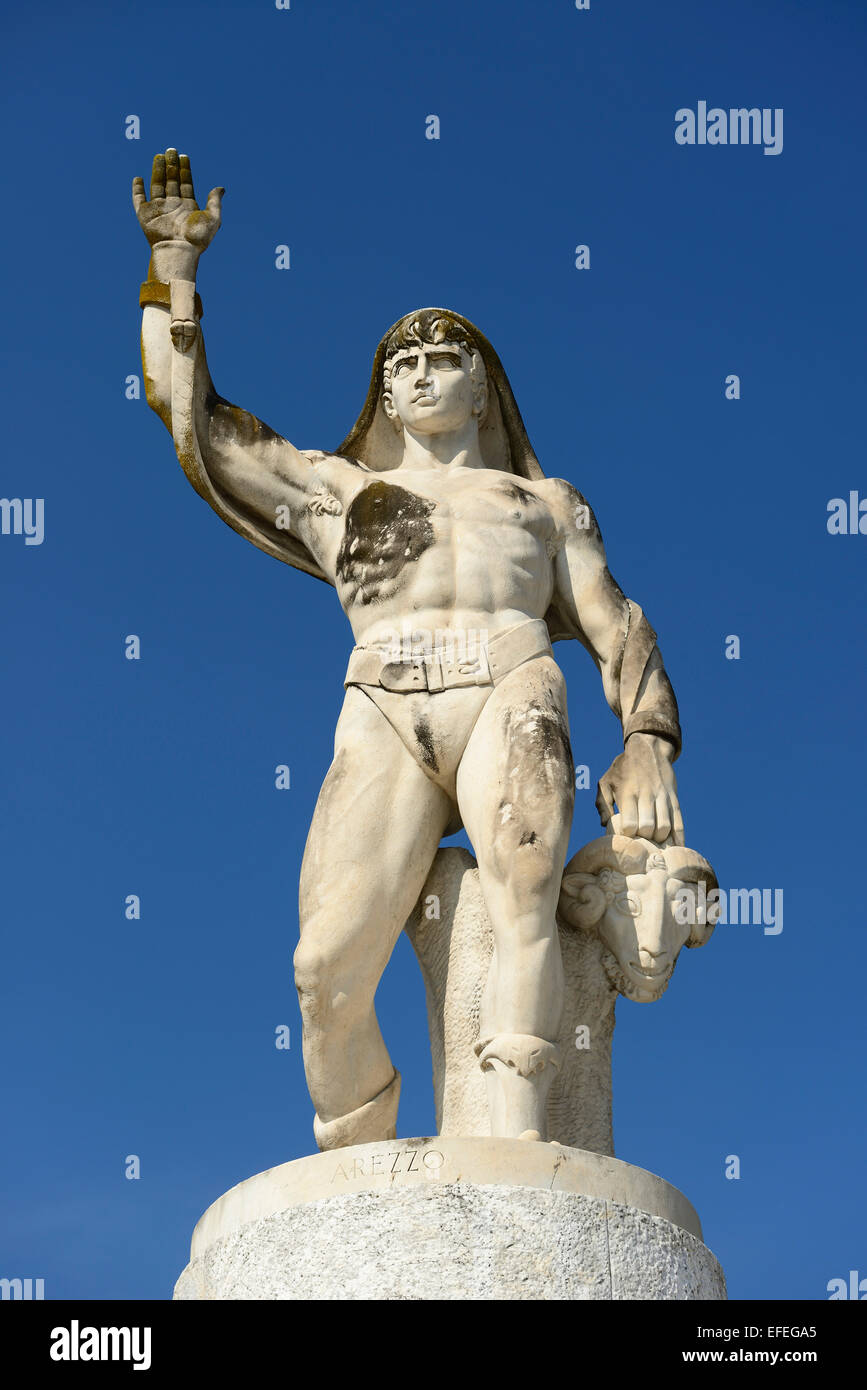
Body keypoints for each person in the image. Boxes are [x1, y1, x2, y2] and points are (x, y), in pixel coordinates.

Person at [134, 149, 684, 1147]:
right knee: (324, 969)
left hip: (512, 678)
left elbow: (615, 620)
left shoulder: (546, 503)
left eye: (444, 359)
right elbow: (194, 425)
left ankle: (513, 1135)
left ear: (483, 386)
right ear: (384, 396)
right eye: (403, 364)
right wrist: (174, 273)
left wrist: (646, 734)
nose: (422, 372)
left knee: (521, 895)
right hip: (385, 695)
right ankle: (357, 1149)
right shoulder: (337, 494)